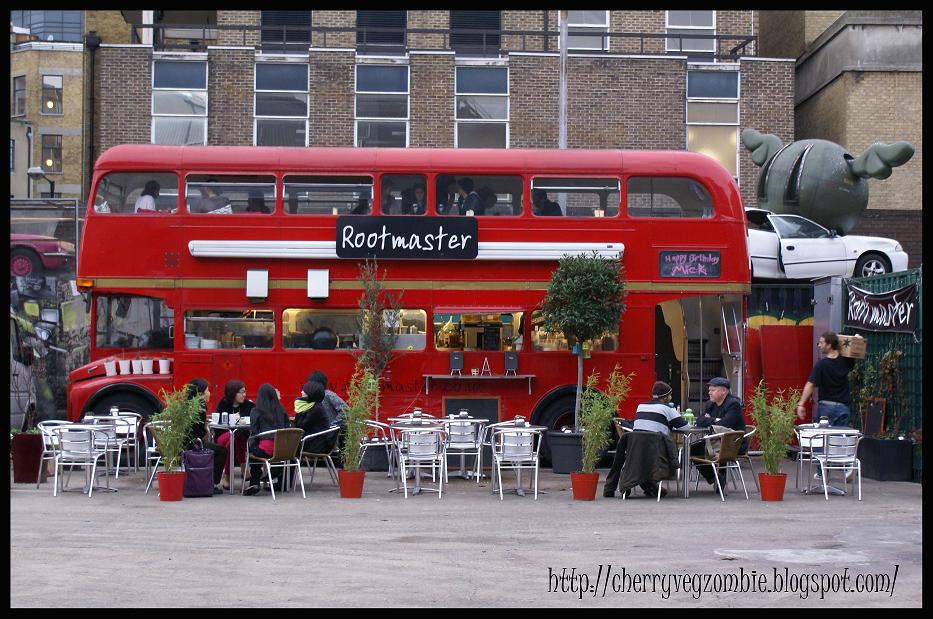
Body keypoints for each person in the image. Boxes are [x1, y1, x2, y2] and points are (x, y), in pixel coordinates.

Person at [603, 380, 684, 498]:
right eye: (670, 395)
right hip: (657, 455)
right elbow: (685, 427)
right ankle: (652, 486)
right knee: (670, 447)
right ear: (665, 397)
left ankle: (614, 488)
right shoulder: (667, 409)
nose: (671, 397)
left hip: (636, 453)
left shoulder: (640, 406)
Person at [691, 376, 746, 489]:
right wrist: (715, 420)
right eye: (709, 390)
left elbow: (725, 424)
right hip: (715, 441)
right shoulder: (710, 404)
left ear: (724, 391)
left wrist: (710, 420)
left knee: (703, 449)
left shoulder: (733, 404)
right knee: (692, 449)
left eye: (713, 390)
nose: (709, 393)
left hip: (733, 443)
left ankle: (719, 476)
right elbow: (699, 421)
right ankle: (714, 477)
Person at [797, 331, 855, 427]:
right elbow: (852, 345)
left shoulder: (821, 365)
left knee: (824, 435)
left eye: (821, 343)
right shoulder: (846, 362)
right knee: (840, 436)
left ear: (829, 345)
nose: (819, 345)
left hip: (826, 408)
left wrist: (801, 404)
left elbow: (810, 384)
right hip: (843, 408)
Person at [243, 384, 291, 496]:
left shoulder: (256, 410)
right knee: (257, 449)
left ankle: (255, 482)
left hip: (267, 450)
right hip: (283, 450)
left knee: (253, 451)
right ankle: (273, 473)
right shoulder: (282, 409)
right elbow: (287, 427)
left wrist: (252, 445)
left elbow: (254, 432)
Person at [183, 378, 228, 494]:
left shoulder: (187, 405)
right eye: (207, 390)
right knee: (221, 451)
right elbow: (198, 432)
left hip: (184, 444)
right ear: (200, 393)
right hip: (194, 445)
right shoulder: (199, 407)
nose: (209, 393)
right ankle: (212, 483)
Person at [213, 379, 255, 489]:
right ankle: (243, 468)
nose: (244, 395)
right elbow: (218, 424)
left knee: (233, 439)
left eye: (245, 392)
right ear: (233, 393)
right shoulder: (223, 404)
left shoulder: (249, 405)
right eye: (241, 392)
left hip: (241, 438)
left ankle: (227, 477)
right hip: (223, 435)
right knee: (235, 435)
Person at [294, 381, 338, 454]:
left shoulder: (316, 409)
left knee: (289, 445)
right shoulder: (313, 406)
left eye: (304, 390)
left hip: (318, 444)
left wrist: (299, 411)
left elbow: (301, 425)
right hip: (313, 440)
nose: (301, 392)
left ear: (310, 392)